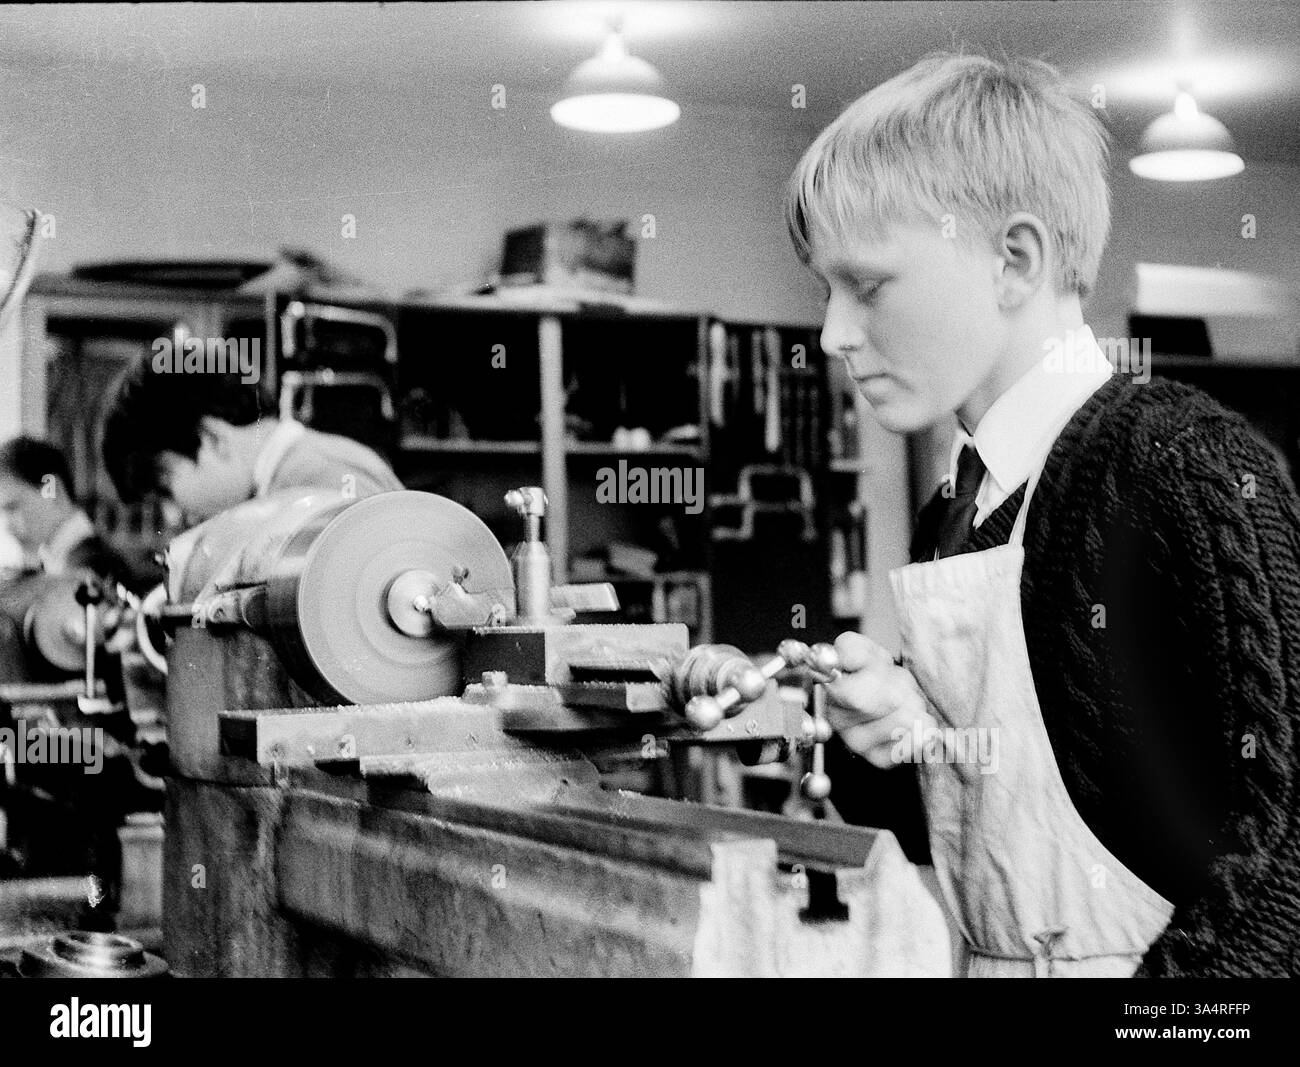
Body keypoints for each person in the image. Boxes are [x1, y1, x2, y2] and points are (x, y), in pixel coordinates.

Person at [786, 52, 1300, 977]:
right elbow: (996, 833)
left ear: (1014, 261)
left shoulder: (1187, 469)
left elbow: (1284, 866)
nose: (832, 333)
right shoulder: (956, 506)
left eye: (867, 284)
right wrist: (900, 743)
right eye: (828, 291)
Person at [101, 357, 402, 520]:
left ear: (211, 439)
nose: (172, 515)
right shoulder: (287, 480)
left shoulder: (321, 480)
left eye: (166, 491)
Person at [0, 435, 132, 584]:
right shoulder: (61, 563)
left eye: (13, 507)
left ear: (51, 489)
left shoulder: (87, 569)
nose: (7, 526)